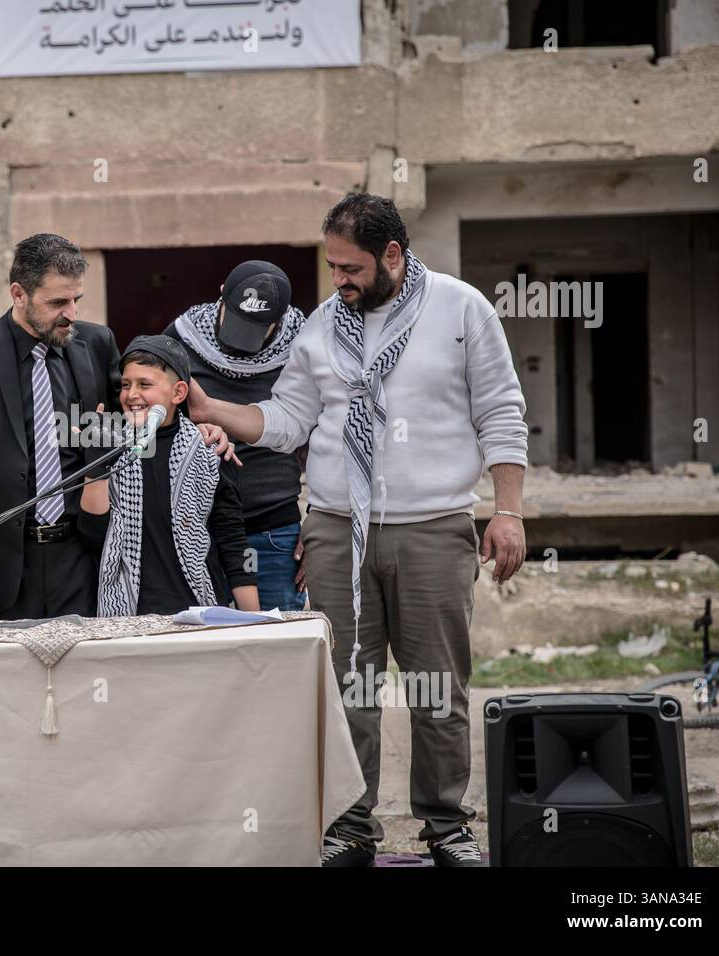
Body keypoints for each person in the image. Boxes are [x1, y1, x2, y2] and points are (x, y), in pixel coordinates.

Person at [187, 193, 529, 867]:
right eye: (332, 266)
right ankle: (350, 828)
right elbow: (285, 422)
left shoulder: (462, 310)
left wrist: (509, 510)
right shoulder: (320, 327)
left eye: (350, 267)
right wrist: (213, 408)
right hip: (339, 531)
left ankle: (446, 827)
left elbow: (501, 409)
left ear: (393, 255)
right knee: (349, 690)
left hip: (434, 527)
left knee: (438, 687)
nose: (338, 279)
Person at [0, 233, 236, 619]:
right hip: (3, 559)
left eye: (76, 299)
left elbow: (135, 416)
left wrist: (194, 432)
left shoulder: (96, 343)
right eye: (58, 302)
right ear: (19, 294)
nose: (71, 313)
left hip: (84, 556)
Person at [166, 260, 310, 611]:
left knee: (275, 650)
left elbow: (325, 434)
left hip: (273, 529)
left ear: (280, 319)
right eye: (235, 322)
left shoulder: (304, 346)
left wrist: (321, 519)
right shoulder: (180, 339)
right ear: (221, 297)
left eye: (255, 329)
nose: (240, 341)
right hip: (197, 528)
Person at [79, 335, 259, 616]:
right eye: (125, 385)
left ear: (178, 393)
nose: (131, 394)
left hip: (200, 610)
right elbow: (93, 535)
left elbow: (234, 540)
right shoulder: (109, 446)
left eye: (145, 384)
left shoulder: (210, 451)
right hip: (129, 616)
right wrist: (96, 465)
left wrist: (254, 621)